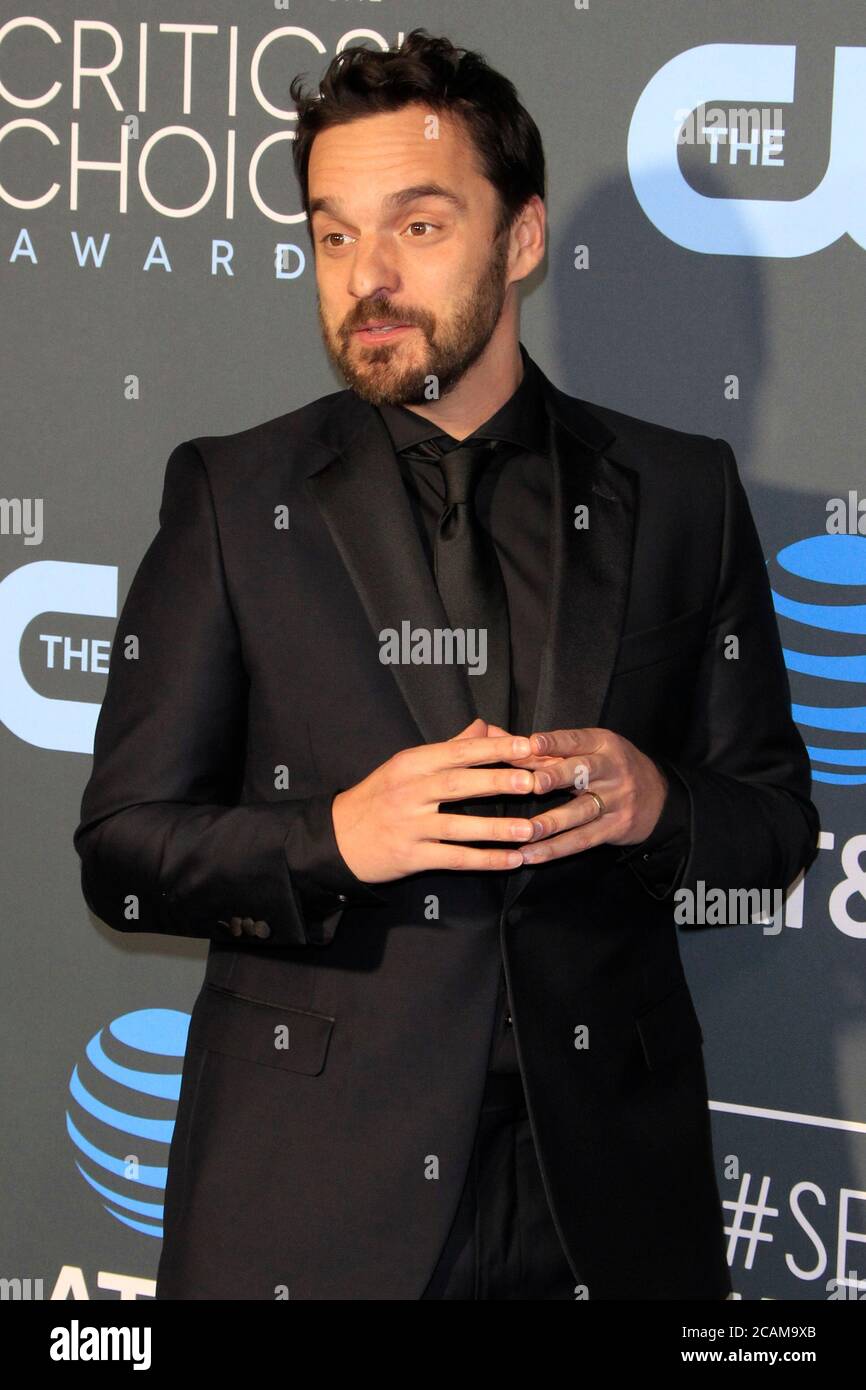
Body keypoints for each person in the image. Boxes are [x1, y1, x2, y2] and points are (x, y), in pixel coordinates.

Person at [74, 29, 819, 1300]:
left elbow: (773, 822)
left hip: (602, 1203)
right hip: (312, 1200)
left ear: (520, 239)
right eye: (333, 235)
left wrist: (655, 802)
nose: (367, 277)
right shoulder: (234, 496)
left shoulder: (678, 492)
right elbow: (124, 850)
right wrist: (335, 838)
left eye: (416, 227)